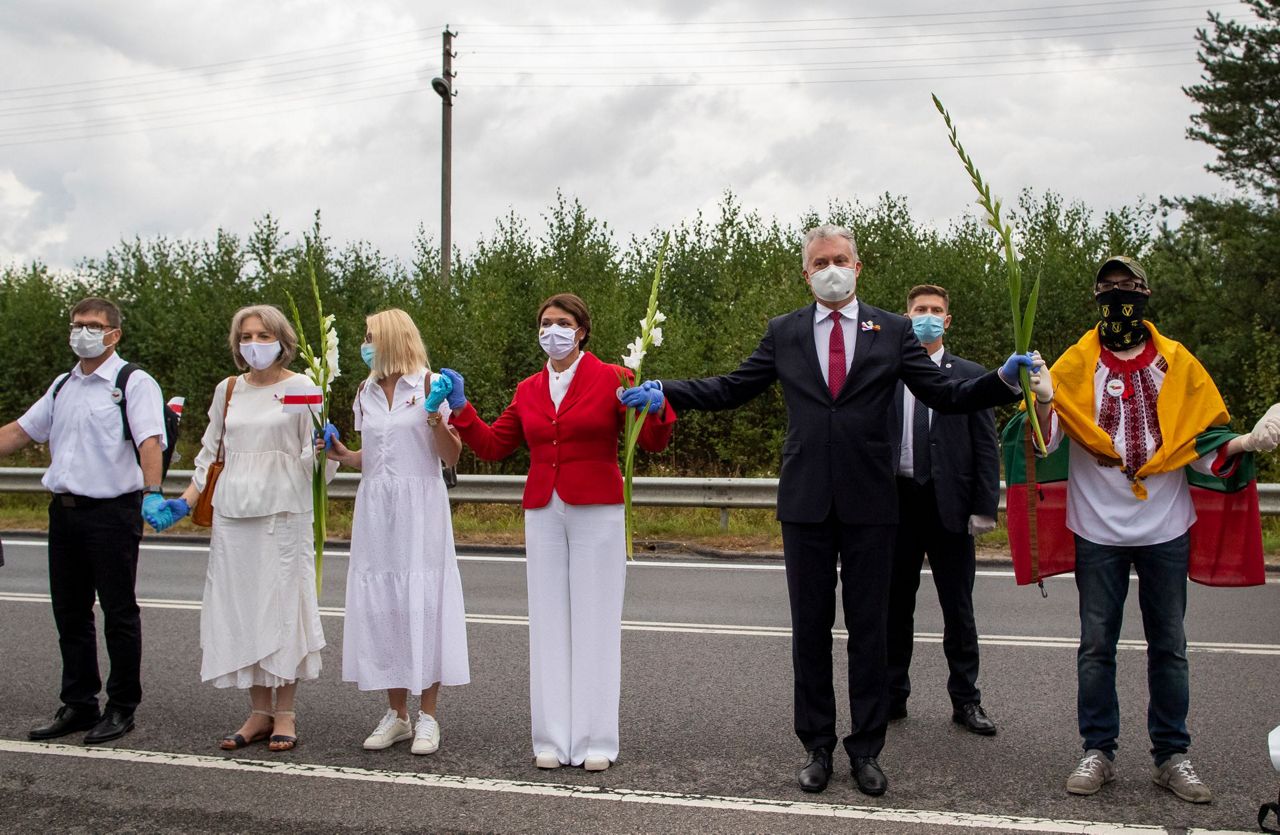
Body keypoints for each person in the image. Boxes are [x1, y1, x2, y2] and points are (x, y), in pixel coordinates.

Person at [621, 225, 1042, 796]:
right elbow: (732, 387)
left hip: (873, 503)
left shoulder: (892, 332)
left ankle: (866, 750)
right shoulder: (786, 332)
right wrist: (667, 389)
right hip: (806, 502)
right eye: (820, 262)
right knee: (810, 630)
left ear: (858, 267)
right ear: (806, 273)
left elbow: (945, 396)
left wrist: (1000, 381)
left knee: (871, 630)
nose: (831, 269)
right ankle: (817, 745)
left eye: (840, 259)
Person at [1012, 256, 1280, 803]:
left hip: (1166, 529)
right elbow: (1046, 442)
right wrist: (1042, 400)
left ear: (1146, 293)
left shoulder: (1179, 364)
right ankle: (1098, 751)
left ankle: (1172, 756)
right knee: (1095, 646)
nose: (1118, 296)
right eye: (1108, 288)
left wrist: (1248, 442)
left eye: (1128, 287)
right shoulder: (1072, 365)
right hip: (1097, 530)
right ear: (1096, 298)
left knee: (1170, 646)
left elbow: (1202, 447)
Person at [443, 292, 676, 772]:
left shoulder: (614, 377)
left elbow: (651, 442)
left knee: (595, 622)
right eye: (546, 323)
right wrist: (462, 408)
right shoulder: (527, 388)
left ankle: (596, 740)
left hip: (598, 509)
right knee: (547, 622)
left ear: (582, 330)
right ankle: (551, 738)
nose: (553, 330)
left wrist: (657, 407)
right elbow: (492, 446)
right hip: (544, 509)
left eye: (563, 322)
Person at [157, 304, 333, 752]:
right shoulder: (229, 389)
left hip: (283, 514)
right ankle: (259, 711)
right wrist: (184, 500)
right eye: (246, 337)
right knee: (244, 607)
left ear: (282, 340)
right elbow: (211, 452)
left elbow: (312, 461)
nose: (254, 344)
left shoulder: (302, 386)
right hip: (234, 514)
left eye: (262, 335)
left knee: (281, 607)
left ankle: (286, 713)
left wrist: (322, 448)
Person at [0, 297, 167, 744]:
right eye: (77, 324)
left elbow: (151, 440)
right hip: (65, 513)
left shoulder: (133, 382)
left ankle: (121, 706)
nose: (83, 332)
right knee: (70, 613)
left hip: (112, 513)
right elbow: (20, 431)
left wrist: (152, 494)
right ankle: (78, 703)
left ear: (114, 334)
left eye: (93, 325)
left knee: (118, 612)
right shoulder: (63, 386)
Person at [321, 309, 469, 755]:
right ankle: (396, 714)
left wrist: (433, 416)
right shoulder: (364, 391)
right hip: (376, 506)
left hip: (420, 505)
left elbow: (451, 456)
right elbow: (378, 455)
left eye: (371, 336)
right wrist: (343, 453)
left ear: (394, 338)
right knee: (384, 604)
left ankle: (428, 715)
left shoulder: (428, 384)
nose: (365, 343)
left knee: (423, 600)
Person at [886, 284, 1000, 736]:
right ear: (906, 316)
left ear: (947, 321)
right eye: (919, 310)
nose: (927, 317)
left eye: (935, 311)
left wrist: (984, 506)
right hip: (897, 504)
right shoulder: (889, 372)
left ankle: (966, 702)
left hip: (950, 505)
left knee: (959, 607)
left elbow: (985, 447)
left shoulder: (969, 374)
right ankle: (892, 696)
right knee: (895, 606)